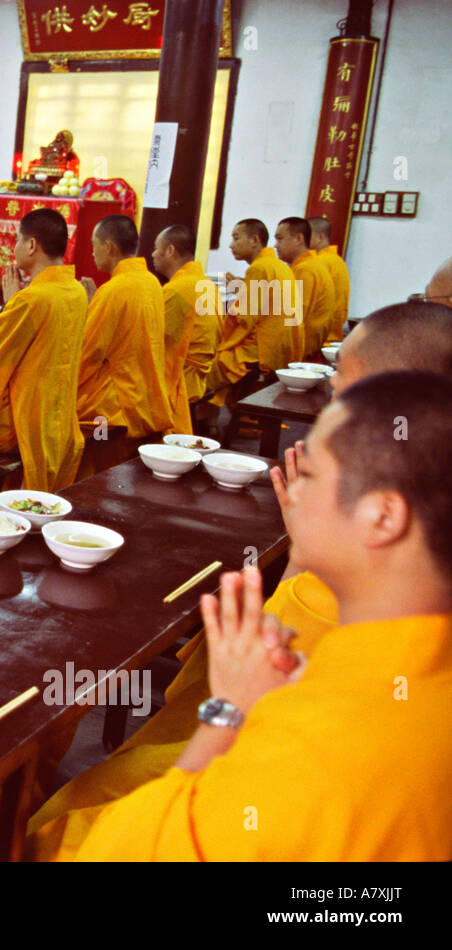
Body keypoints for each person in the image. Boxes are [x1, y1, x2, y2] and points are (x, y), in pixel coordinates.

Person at [25, 300, 452, 861]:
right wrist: (303, 553)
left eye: (315, 475)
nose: (294, 490)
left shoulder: (327, 752)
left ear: (382, 517)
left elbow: (125, 848)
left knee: (61, 825)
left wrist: (228, 713)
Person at [0, 208, 87, 492]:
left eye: (17, 240)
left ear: (31, 245)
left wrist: (11, 303)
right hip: (60, 418)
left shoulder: (32, 300)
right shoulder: (75, 292)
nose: (14, 247)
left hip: (25, 423)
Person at [76, 214, 186, 437]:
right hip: (149, 396)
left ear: (108, 247)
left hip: (118, 403)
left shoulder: (114, 289)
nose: (92, 252)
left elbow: (88, 352)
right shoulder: (151, 282)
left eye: (93, 245)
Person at [207, 218, 297, 401]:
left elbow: (246, 320)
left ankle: (199, 421)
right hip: (281, 348)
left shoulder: (259, 268)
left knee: (206, 367)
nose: (231, 245)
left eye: (236, 238)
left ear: (254, 240)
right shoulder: (278, 266)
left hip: (260, 350)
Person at [151, 224, 220, 409]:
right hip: (199, 376)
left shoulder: (177, 290)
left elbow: (156, 340)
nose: (153, 254)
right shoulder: (206, 283)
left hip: (181, 378)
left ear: (170, 250)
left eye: (156, 248)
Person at [275, 215, 335, 360]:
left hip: (299, 356)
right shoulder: (307, 265)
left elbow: (294, 319)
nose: (275, 245)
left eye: (280, 239)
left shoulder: (306, 269)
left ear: (298, 239)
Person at [308, 216, 350, 344]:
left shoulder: (319, 262)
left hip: (318, 338)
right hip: (333, 335)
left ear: (320, 237)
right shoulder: (337, 260)